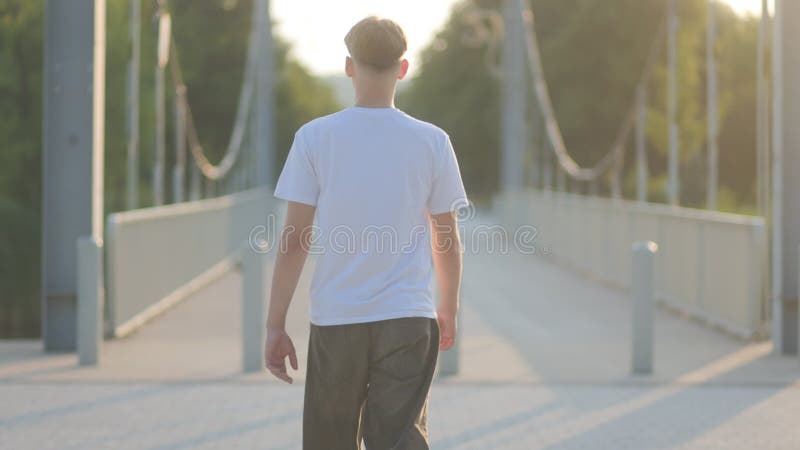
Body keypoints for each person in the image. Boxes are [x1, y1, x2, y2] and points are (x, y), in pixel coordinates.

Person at [264, 16, 467, 450]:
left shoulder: (314, 138)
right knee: (399, 442)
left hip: (337, 319)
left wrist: (274, 324)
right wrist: (447, 307)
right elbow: (445, 238)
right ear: (403, 68)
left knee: (329, 442)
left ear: (348, 66)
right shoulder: (433, 142)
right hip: (408, 317)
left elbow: (295, 240)